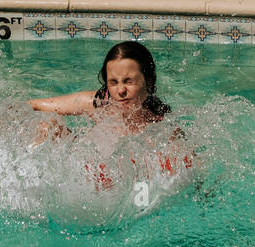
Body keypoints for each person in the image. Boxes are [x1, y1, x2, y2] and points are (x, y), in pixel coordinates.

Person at [27, 40, 190, 190]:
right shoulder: (99, 104)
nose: (120, 91)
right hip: (85, 173)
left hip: (123, 187)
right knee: (48, 127)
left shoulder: (163, 126)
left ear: (148, 81)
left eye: (128, 81)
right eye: (113, 82)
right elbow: (34, 105)